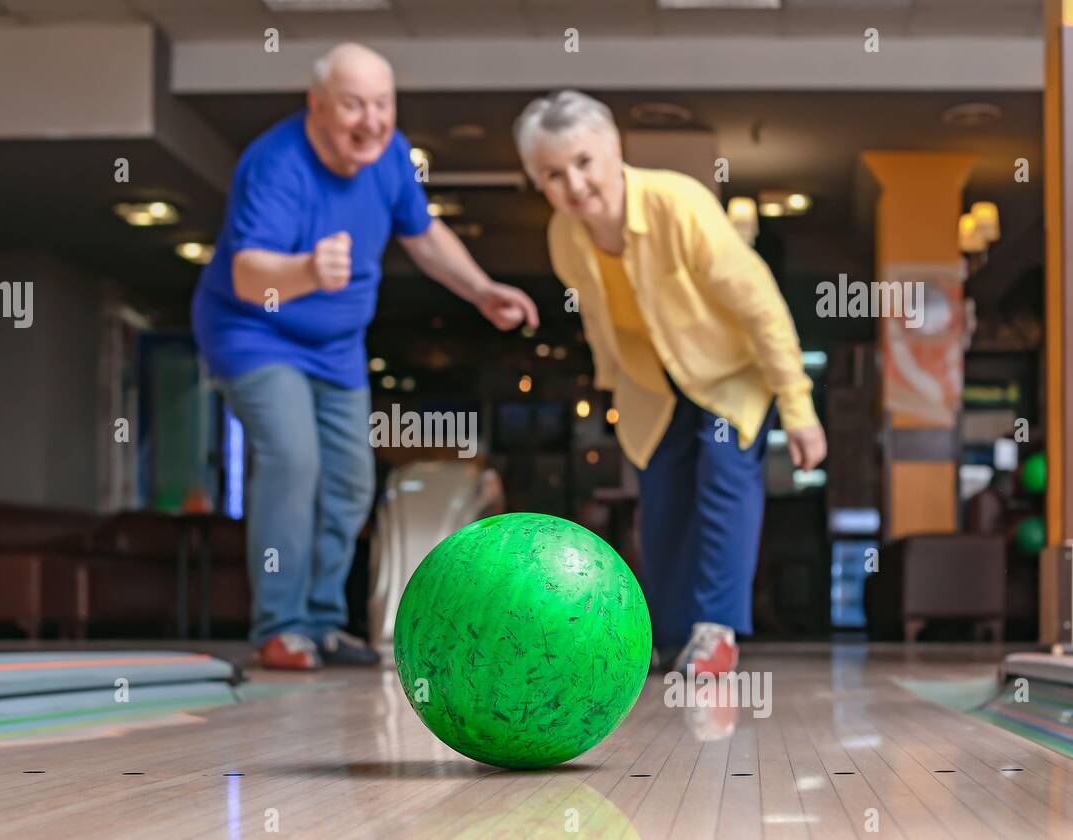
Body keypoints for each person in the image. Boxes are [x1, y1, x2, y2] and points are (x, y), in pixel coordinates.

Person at [193, 43, 538, 671]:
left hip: (337, 346)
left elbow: (423, 233)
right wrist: (304, 269)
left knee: (351, 479)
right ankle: (281, 627)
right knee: (294, 459)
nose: (372, 120)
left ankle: (323, 622)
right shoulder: (274, 163)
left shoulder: (391, 155)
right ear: (317, 105)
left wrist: (480, 288)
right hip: (255, 331)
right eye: (354, 105)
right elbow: (246, 276)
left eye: (383, 103)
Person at [513, 90, 826, 677]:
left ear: (614, 150)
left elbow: (760, 304)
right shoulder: (565, 237)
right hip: (649, 386)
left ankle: (715, 634)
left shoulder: (679, 205)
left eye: (583, 162)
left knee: (723, 477)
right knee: (661, 504)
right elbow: (598, 320)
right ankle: (667, 635)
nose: (575, 184)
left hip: (728, 376)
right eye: (554, 174)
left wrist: (799, 407)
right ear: (539, 181)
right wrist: (608, 389)